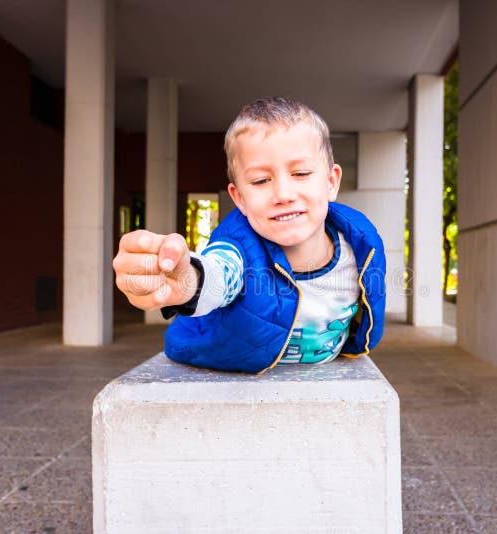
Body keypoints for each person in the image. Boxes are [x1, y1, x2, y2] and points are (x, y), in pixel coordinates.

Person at [113, 97, 385, 374]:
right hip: (220, 358)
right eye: (260, 181)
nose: (283, 195)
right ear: (240, 198)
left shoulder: (360, 244)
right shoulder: (238, 248)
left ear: (331, 182)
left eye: (300, 173)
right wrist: (187, 279)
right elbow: (219, 272)